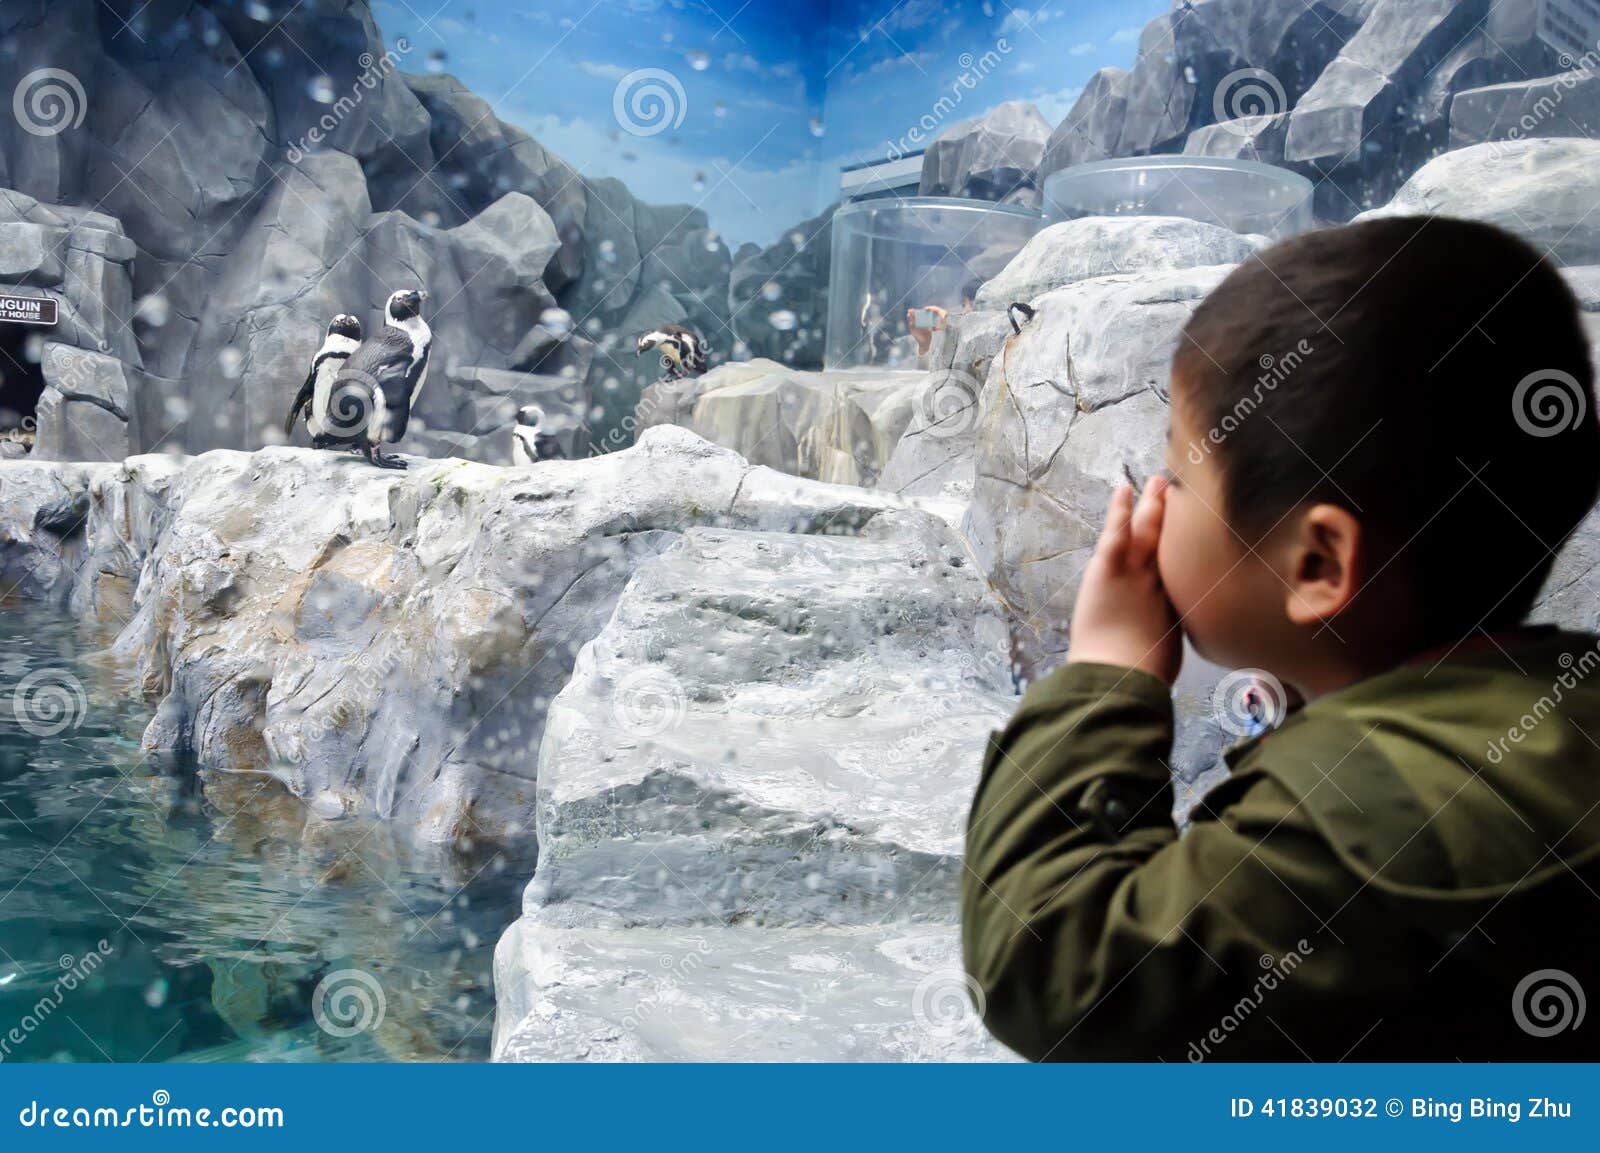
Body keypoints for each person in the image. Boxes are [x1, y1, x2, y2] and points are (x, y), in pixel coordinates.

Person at [961, 216, 1600, 1061]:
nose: (1154, 500)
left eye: (1180, 477)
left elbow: (1055, 970)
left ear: (1316, 563)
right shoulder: (1549, 723)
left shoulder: (1362, 816)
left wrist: (1106, 677)